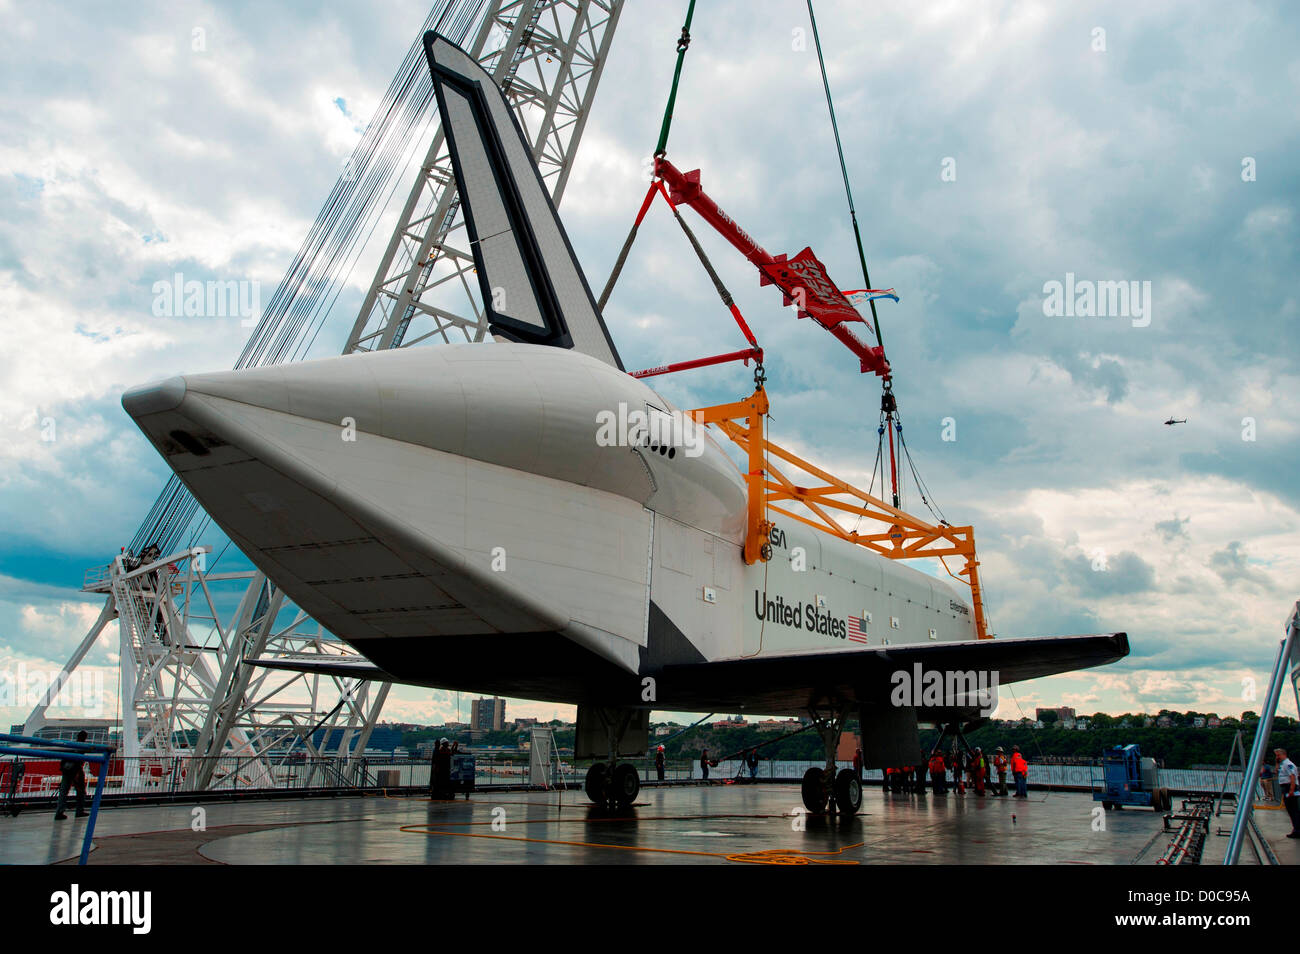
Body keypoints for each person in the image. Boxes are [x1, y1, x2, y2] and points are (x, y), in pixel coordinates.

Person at [54, 730, 90, 821]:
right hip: (76, 769)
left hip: (67, 770)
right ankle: (79, 811)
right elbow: (78, 760)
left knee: (64, 791)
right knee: (81, 791)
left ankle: (59, 812)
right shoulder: (82, 746)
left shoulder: (71, 745)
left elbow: (64, 758)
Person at [1276, 748, 1300, 837]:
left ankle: (1297, 830)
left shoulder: (1288, 764)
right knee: (1290, 810)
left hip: (1289, 787)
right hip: (1286, 787)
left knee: (1293, 810)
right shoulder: (1283, 764)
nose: (1277, 757)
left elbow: (1293, 777)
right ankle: (1296, 828)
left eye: (1278, 755)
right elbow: (1276, 771)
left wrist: (1291, 790)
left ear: (1283, 754)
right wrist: (1277, 762)